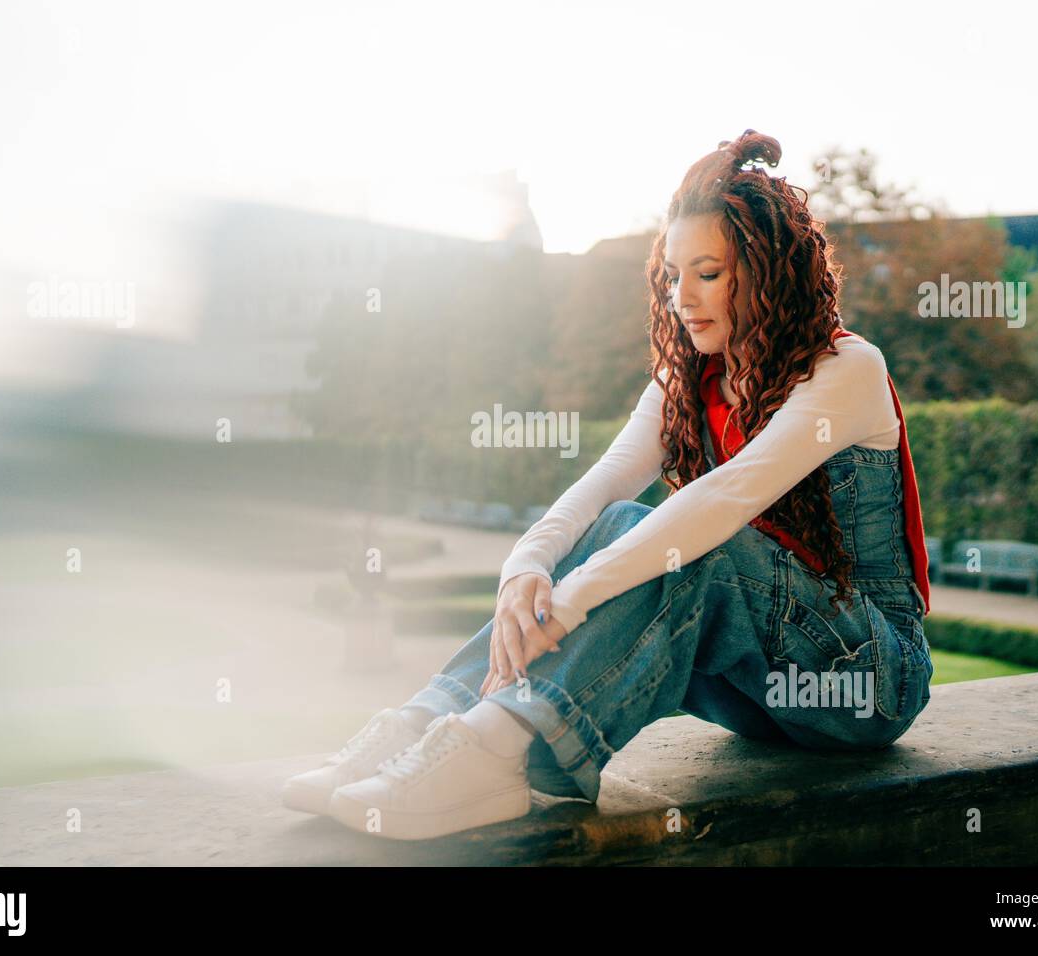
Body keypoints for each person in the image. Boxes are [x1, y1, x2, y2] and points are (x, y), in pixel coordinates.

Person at [283, 129, 935, 842]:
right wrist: (524, 571)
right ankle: (425, 721)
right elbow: (601, 488)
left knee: (695, 541)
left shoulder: (846, 369)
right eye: (672, 275)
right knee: (622, 522)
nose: (682, 297)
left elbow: (720, 501)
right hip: (755, 697)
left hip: (868, 682)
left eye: (708, 272)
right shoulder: (688, 376)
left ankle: (491, 753)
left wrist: (571, 600)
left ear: (768, 269)